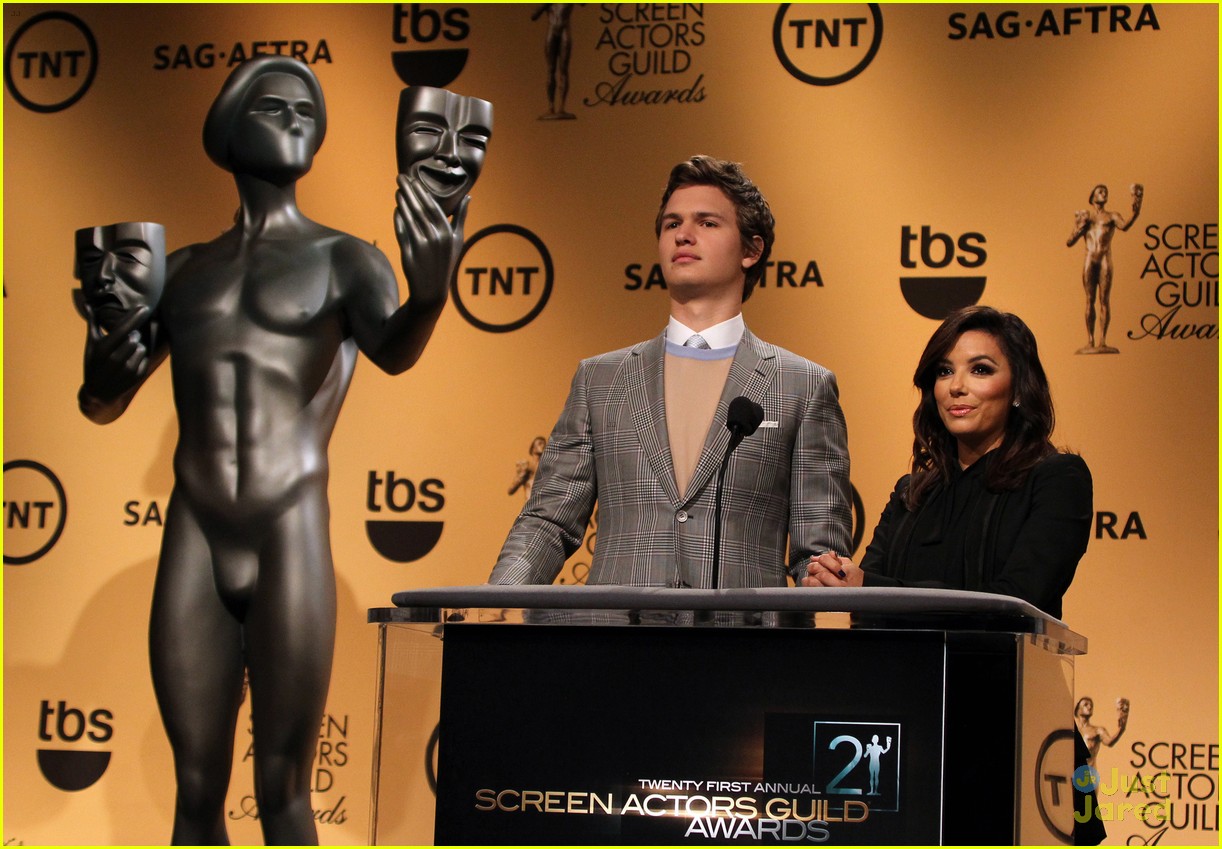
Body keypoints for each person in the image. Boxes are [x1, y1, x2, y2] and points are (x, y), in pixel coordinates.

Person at [76, 57, 481, 845]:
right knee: (194, 788)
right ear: (228, 129)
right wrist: (99, 366)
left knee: (283, 789)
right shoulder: (180, 272)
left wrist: (430, 294)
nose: (297, 119)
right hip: (194, 531)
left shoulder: (344, 260)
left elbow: (394, 352)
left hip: (288, 528)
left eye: (308, 109)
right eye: (273, 106)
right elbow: (102, 402)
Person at [802, 305, 1101, 843]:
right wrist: (841, 580)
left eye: (980, 369)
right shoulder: (911, 492)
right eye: (944, 371)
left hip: (1011, 732)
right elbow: (867, 613)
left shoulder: (1057, 480)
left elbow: (1016, 602)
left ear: (1019, 387)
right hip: (902, 735)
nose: (957, 387)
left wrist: (868, 587)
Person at [489, 155, 852, 588]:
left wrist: (821, 581)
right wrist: (493, 607)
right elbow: (548, 520)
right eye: (671, 223)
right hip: (618, 641)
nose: (683, 234)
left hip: (746, 645)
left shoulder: (804, 386)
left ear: (752, 250)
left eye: (707, 223)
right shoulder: (599, 380)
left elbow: (818, 553)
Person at [1066, 183, 1143, 354]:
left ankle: (1102, 340)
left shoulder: (1112, 216)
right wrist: (1079, 227)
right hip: (1089, 259)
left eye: (1105, 192)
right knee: (1089, 300)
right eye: (1100, 192)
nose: (1104, 194)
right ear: (1092, 197)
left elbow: (1125, 226)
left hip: (1104, 260)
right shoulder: (1086, 218)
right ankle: (1090, 340)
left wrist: (1136, 211)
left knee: (1104, 300)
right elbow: (1070, 241)